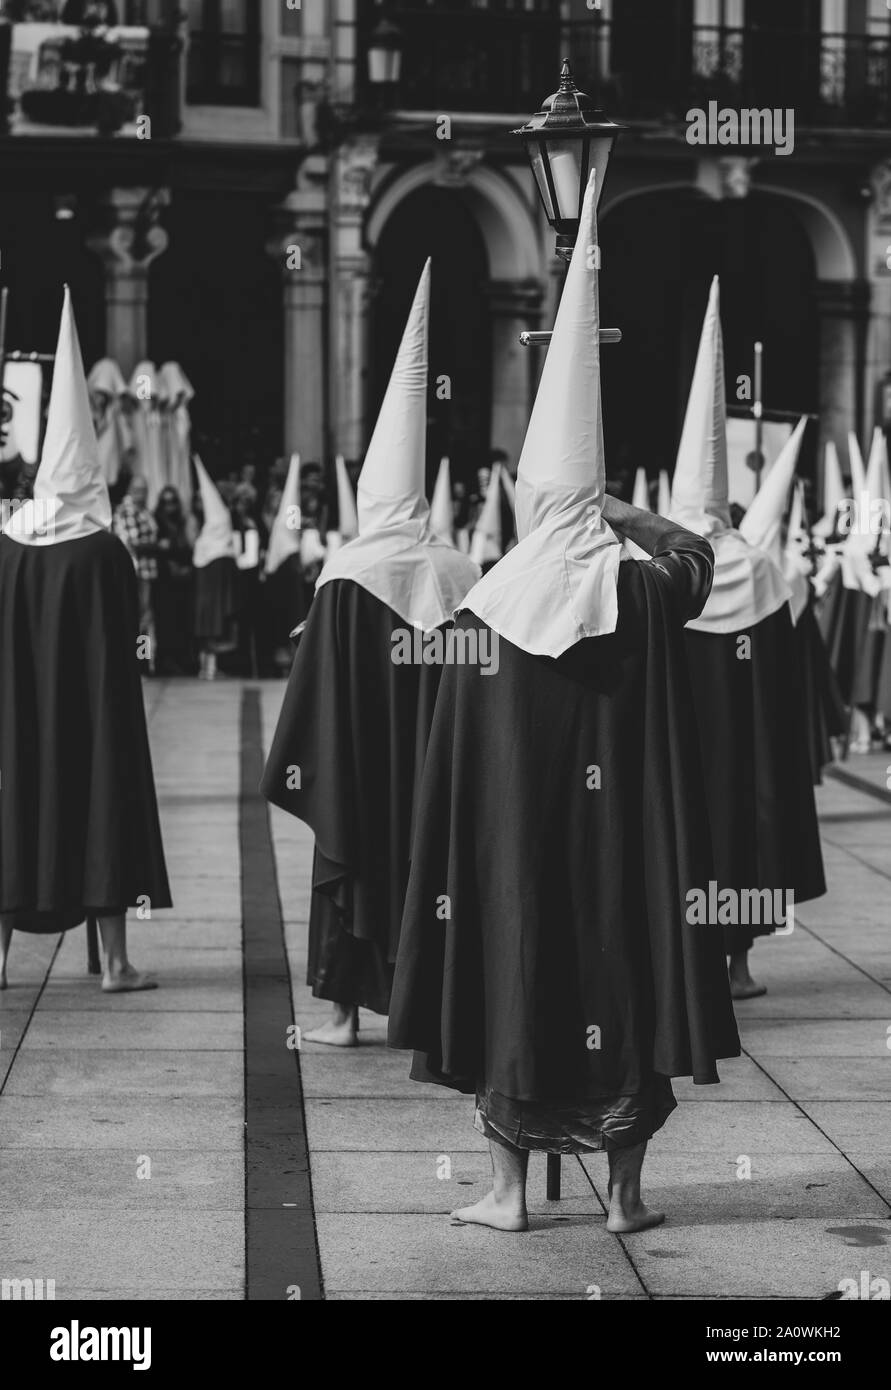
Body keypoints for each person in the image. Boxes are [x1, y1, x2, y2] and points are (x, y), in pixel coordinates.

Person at [387, 177, 739, 1234]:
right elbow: (699, 552)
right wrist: (630, 514)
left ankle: (505, 1194)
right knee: (622, 987)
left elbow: (451, 749)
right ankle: (625, 1196)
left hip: (511, 853)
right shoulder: (642, 586)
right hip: (623, 849)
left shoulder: (491, 602)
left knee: (511, 981)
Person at [261, 260, 480, 1047]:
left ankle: (343, 1014)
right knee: (438, 879)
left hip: (357, 767)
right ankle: (432, 1012)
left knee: (349, 858)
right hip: (434, 770)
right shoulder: (459, 569)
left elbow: (316, 687)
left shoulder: (345, 572)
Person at [0, 288, 168, 991]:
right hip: (94, 712)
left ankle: (0, 963)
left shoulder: (7, 543)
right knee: (105, 812)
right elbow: (128, 628)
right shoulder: (104, 551)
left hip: (17, 710)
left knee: (12, 812)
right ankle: (116, 963)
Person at [669, 278, 825, 1000]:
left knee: (678, 836)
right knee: (741, 838)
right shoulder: (757, 566)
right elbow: (789, 666)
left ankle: (685, 962)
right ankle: (736, 965)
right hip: (744, 744)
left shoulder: (658, 568)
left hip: (674, 741)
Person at [192, 455, 238, 681]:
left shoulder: (203, 545)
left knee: (210, 625)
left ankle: (208, 667)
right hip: (211, 593)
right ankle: (144, 660)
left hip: (208, 594)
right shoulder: (214, 547)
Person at [113, 473, 158, 675]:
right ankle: (140, 662)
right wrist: (157, 546)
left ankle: (145, 660)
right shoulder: (127, 511)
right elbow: (131, 542)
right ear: (131, 490)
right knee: (139, 618)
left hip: (146, 570)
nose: (142, 494)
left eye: (145, 490)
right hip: (136, 570)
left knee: (145, 619)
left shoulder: (143, 511)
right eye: (139, 490)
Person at [153, 484, 195, 676]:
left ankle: (180, 661)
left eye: (173, 501)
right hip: (163, 581)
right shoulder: (156, 521)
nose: (169, 505)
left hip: (182, 581)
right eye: (166, 501)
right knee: (162, 624)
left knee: (180, 622)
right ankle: (152, 661)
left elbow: (186, 548)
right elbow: (155, 549)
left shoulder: (181, 522)